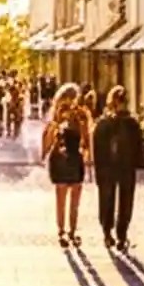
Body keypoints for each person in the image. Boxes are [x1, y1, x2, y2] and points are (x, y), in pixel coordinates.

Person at [91, 86, 144, 251]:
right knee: (107, 199)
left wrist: (137, 162)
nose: (120, 105)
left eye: (122, 101)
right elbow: (97, 148)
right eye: (118, 101)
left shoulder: (132, 123)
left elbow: (138, 145)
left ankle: (122, 234)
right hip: (108, 167)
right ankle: (107, 231)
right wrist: (97, 169)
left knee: (126, 201)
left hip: (126, 167)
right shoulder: (104, 123)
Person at [42, 83, 89, 247]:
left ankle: (72, 231)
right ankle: (62, 231)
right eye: (67, 100)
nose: (70, 105)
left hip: (75, 159)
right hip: (60, 160)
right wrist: (55, 125)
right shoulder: (55, 119)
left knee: (74, 199)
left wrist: (82, 121)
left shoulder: (80, 117)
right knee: (61, 198)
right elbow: (46, 144)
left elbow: (86, 140)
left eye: (73, 100)